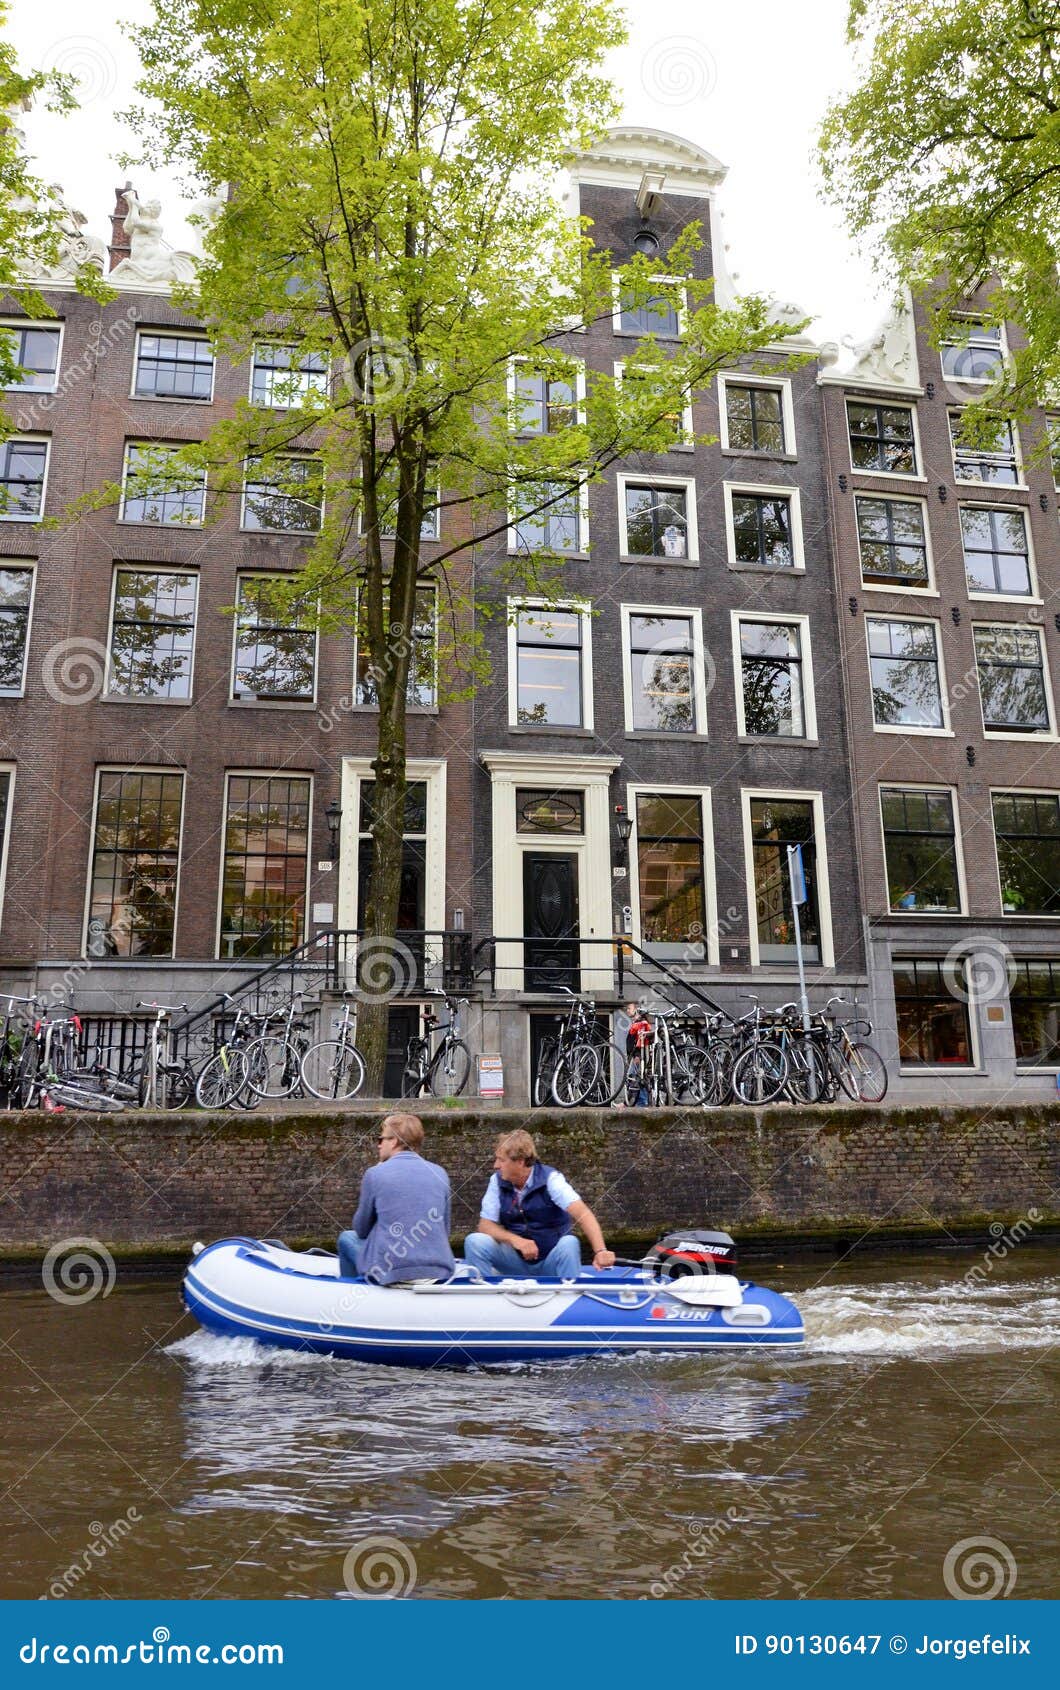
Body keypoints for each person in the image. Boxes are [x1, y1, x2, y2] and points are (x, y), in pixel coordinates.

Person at [463, 1130, 616, 1279]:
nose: (496, 1165)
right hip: (515, 1262)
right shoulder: (496, 1181)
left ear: (520, 1162)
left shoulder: (551, 1180)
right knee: (474, 1241)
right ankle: (483, 1291)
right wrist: (516, 1241)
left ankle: (570, 1291)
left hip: (550, 1262)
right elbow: (485, 1226)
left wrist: (600, 1250)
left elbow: (583, 1213)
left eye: (501, 1160)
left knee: (569, 1243)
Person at [337, 1114, 455, 1284]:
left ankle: (351, 1288)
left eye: (381, 1139)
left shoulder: (375, 1174)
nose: (379, 1145)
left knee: (347, 1238)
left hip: (392, 1269)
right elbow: (445, 1231)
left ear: (393, 1141)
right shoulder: (440, 1173)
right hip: (439, 1271)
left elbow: (361, 1229)